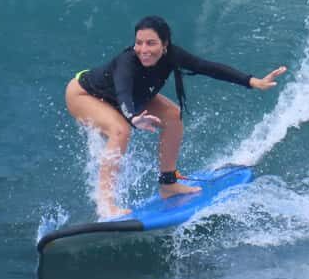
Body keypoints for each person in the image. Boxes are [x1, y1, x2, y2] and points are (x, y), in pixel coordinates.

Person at [65, 15, 287, 219]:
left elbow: (207, 67)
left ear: (164, 45)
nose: (143, 49)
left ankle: (168, 184)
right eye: (139, 43)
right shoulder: (126, 62)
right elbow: (123, 92)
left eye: (151, 43)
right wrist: (132, 118)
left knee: (173, 115)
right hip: (85, 95)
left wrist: (252, 81)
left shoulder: (172, 55)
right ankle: (106, 205)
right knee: (120, 130)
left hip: (130, 97)